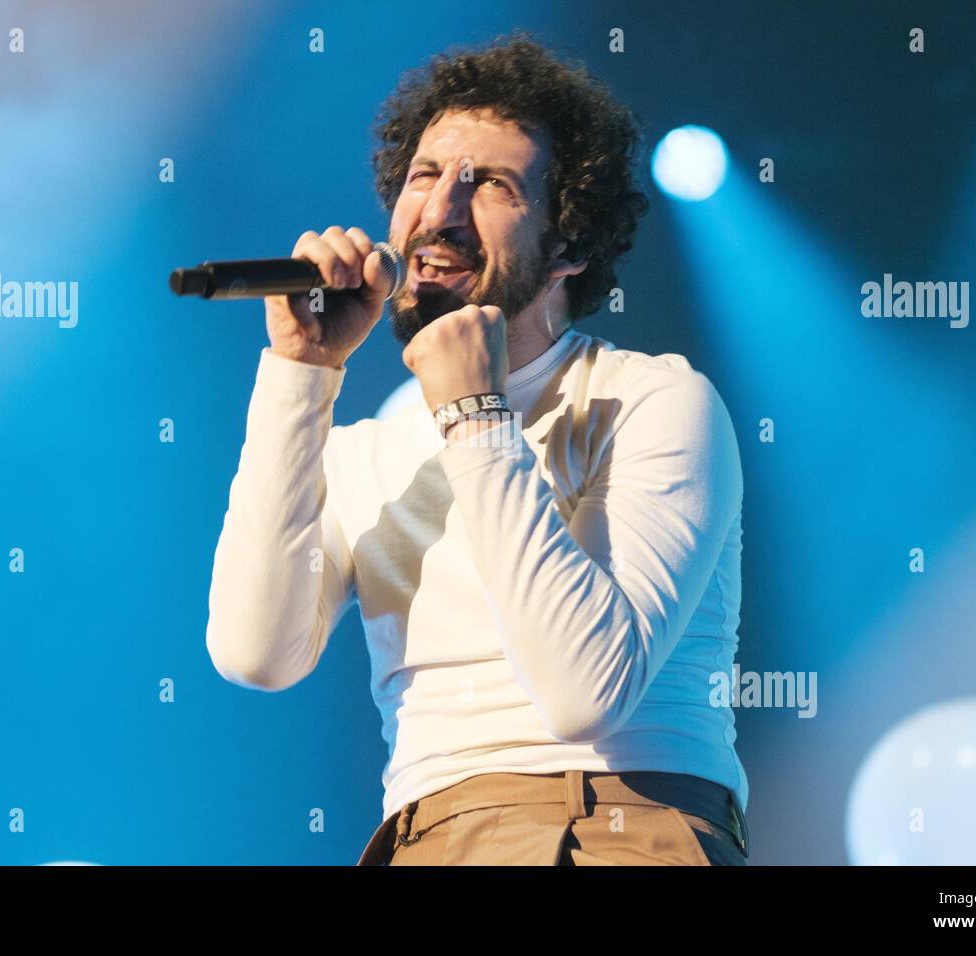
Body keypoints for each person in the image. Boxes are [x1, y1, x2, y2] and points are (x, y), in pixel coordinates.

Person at [205, 34, 749, 865]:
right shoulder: (371, 445)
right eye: (425, 176)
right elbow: (255, 653)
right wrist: (300, 373)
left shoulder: (652, 399)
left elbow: (585, 693)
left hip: (618, 824)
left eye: (490, 183)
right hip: (423, 833)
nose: (442, 209)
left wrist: (475, 414)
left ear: (568, 244)